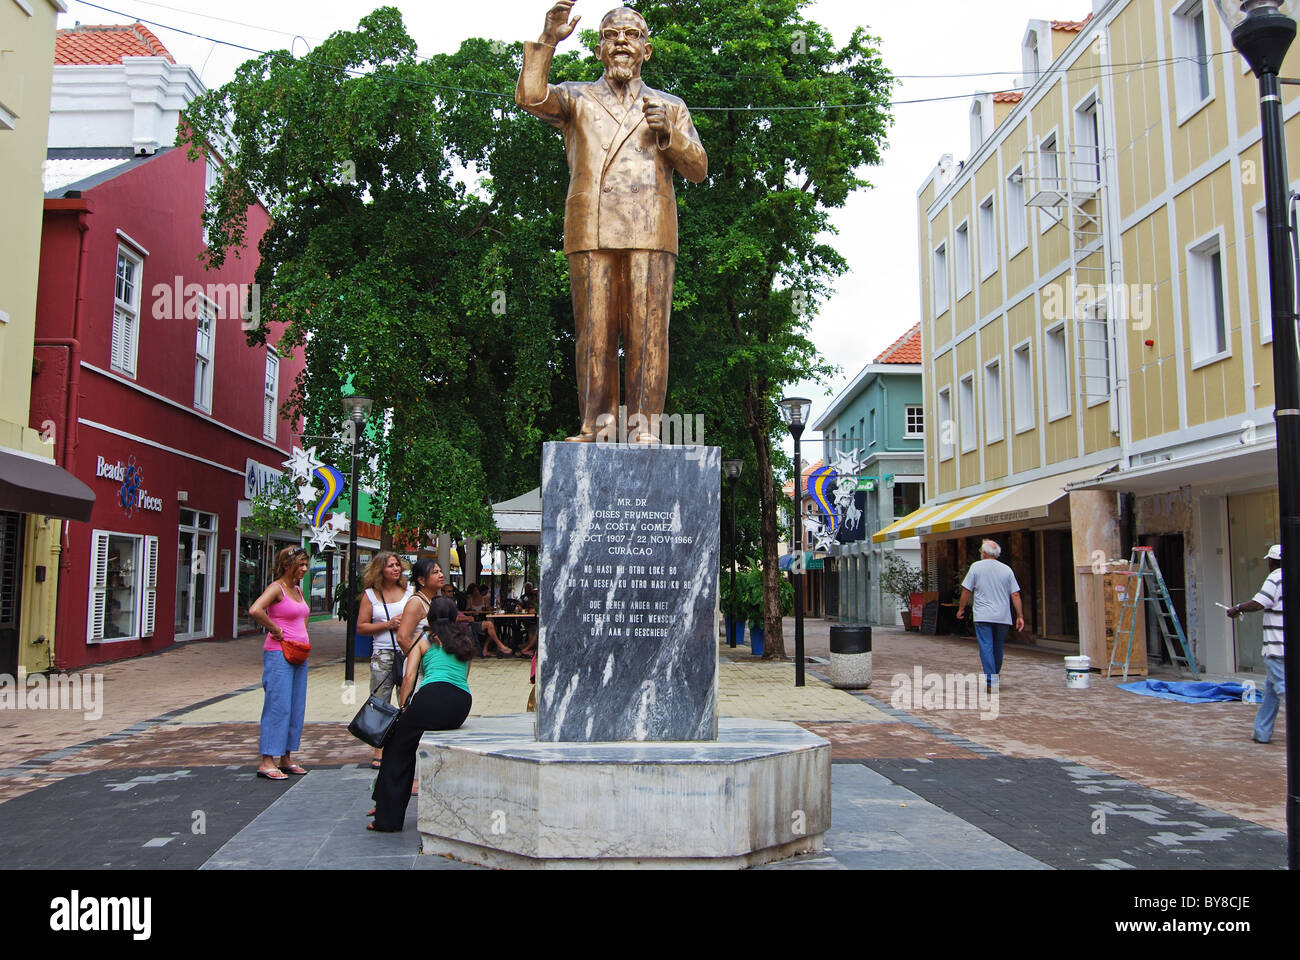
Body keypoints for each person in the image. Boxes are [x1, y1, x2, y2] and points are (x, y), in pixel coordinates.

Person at [516, 3, 708, 443]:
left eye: (631, 35)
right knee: (594, 333)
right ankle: (596, 426)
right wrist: (548, 39)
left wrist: (670, 136)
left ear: (647, 49)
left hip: (651, 228)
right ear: (600, 47)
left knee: (648, 332)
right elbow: (529, 97)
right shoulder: (576, 97)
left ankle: (644, 428)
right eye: (612, 35)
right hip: (592, 224)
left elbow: (698, 167)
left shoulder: (670, 106)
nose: (622, 41)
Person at [369, 592, 477, 832]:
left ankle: (387, 818)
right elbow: (464, 676)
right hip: (461, 704)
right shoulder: (465, 639)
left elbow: (409, 677)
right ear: (453, 616)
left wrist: (405, 706)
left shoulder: (424, 639)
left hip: (430, 699)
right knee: (405, 741)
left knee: (397, 748)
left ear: (429, 616)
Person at [248, 546, 313, 780]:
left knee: (296, 706)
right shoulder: (276, 588)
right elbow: (255, 609)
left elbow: (301, 619)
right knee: (278, 705)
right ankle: (267, 760)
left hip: (299, 653)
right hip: (279, 654)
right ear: (287, 564)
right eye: (301, 564)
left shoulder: (297, 589)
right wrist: (275, 628)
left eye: (306, 564)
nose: (305, 569)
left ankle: (286, 757)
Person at [356, 551, 413, 768]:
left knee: (407, 700)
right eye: (390, 566)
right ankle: (378, 748)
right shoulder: (371, 595)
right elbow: (361, 627)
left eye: (397, 565)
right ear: (381, 570)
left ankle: (404, 745)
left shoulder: (409, 592)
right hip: (382, 653)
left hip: (407, 651)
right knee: (380, 700)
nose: (396, 569)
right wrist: (387, 625)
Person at [1227, 544, 1286, 744]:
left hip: (1277, 646)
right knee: (1271, 693)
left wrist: (1237, 608)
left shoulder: (1276, 577)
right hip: (1286, 646)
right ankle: (1262, 732)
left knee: (1284, 690)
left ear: (1272, 561)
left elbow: (1260, 602)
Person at [955, 540, 1025, 693]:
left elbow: (966, 590)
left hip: (982, 615)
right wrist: (1020, 615)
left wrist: (961, 608)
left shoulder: (976, 567)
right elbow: (1015, 594)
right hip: (1002, 616)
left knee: (986, 647)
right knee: (997, 647)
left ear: (984, 553)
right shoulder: (1006, 569)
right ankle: (994, 677)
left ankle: (991, 681)